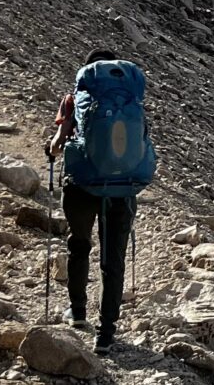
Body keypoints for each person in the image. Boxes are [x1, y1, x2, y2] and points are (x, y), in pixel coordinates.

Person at [46, 48, 156, 355]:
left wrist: (52, 148)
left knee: (79, 245)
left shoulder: (74, 100)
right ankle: (106, 334)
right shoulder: (132, 101)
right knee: (113, 261)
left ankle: (78, 313)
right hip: (122, 189)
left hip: (82, 185)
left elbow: (58, 143)